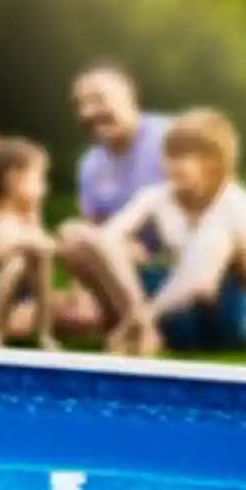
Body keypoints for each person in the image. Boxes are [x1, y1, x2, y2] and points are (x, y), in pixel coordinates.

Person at [94, 110, 246, 359]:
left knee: (219, 239)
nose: (172, 164)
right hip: (181, 320)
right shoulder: (155, 197)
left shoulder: (233, 200)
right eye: (170, 155)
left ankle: (141, 320)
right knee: (110, 246)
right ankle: (143, 323)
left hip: (227, 320)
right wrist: (126, 247)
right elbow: (105, 238)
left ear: (213, 164)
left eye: (185, 156)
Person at [56, 62, 171, 337]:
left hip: (175, 253)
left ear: (129, 96)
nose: (87, 112)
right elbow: (92, 226)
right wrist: (79, 291)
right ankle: (121, 321)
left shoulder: (169, 138)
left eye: (97, 99)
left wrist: (153, 250)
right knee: (70, 235)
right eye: (79, 105)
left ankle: (141, 329)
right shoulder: (90, 164)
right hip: (121, 259)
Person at [0, 138, 61, 350]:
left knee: (40, 257)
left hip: (25, 294)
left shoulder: (29, 215)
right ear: (13, 179)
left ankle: (45, 332)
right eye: (38, 180)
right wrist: (21, 244)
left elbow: (46, 246)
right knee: (18, 261)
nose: (44, 189)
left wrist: (42, 244)